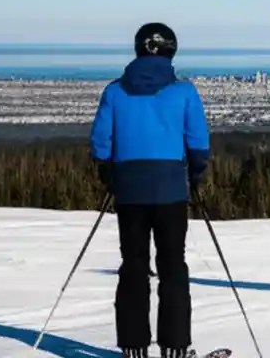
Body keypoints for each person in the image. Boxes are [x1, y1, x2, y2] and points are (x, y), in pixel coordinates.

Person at [90, 23, 211, 358]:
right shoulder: (184, 91)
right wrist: (195, 176)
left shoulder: (114, 91)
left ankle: (133, 347)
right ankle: (174, 348)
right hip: (171, 188)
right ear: (171, 49)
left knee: (133, 266)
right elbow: (198, 144)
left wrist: (109, 175)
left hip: (130, 190)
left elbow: (101, 144)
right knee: (173, 267)